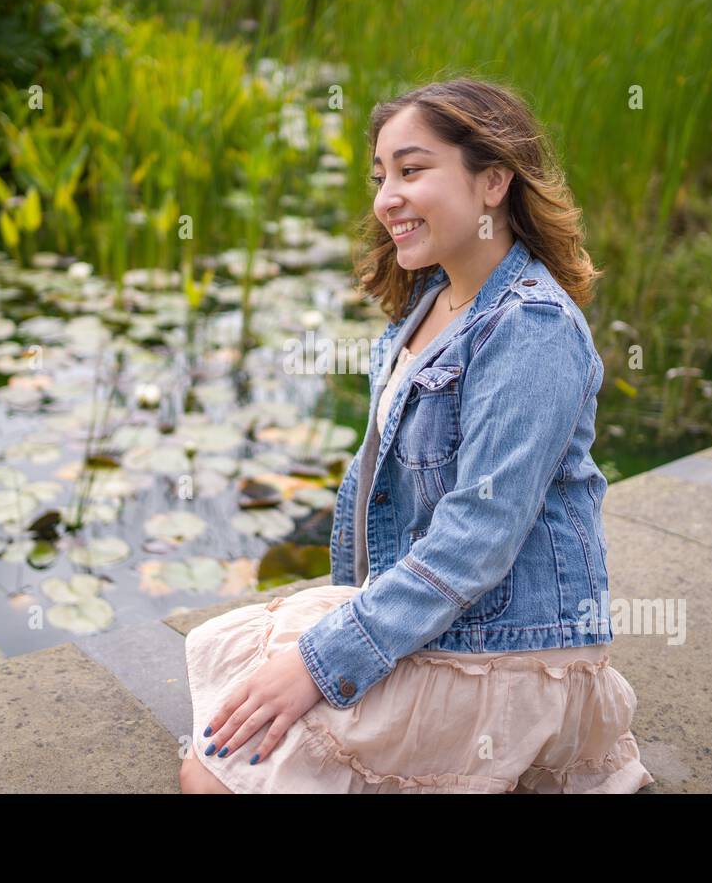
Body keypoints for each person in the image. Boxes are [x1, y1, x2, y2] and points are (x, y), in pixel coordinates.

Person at [180, 76, 654, 793]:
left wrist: (323, 662)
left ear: (493, 181)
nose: (385, 200)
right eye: (381, 177)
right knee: (221, 653)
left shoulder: (531, 329)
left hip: (511, 646)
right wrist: (344, 630)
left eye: (411, 170)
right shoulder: (431, 301)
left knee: (212, 776)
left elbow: (476, 539)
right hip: (445, 615)